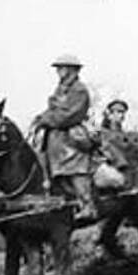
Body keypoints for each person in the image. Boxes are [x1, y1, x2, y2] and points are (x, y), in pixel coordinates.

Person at [33, 53, 96, 221]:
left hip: (72, 133)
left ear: (72, 70)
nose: (59, 71)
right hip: (56, 135)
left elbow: (70, 114)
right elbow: (52, 109)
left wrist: (47, 119)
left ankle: (87, 204)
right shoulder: (60, 89)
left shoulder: (79, 89)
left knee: (75, 162)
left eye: (62, 68)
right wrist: (40, 118)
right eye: (58, 68)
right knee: (41, 152)